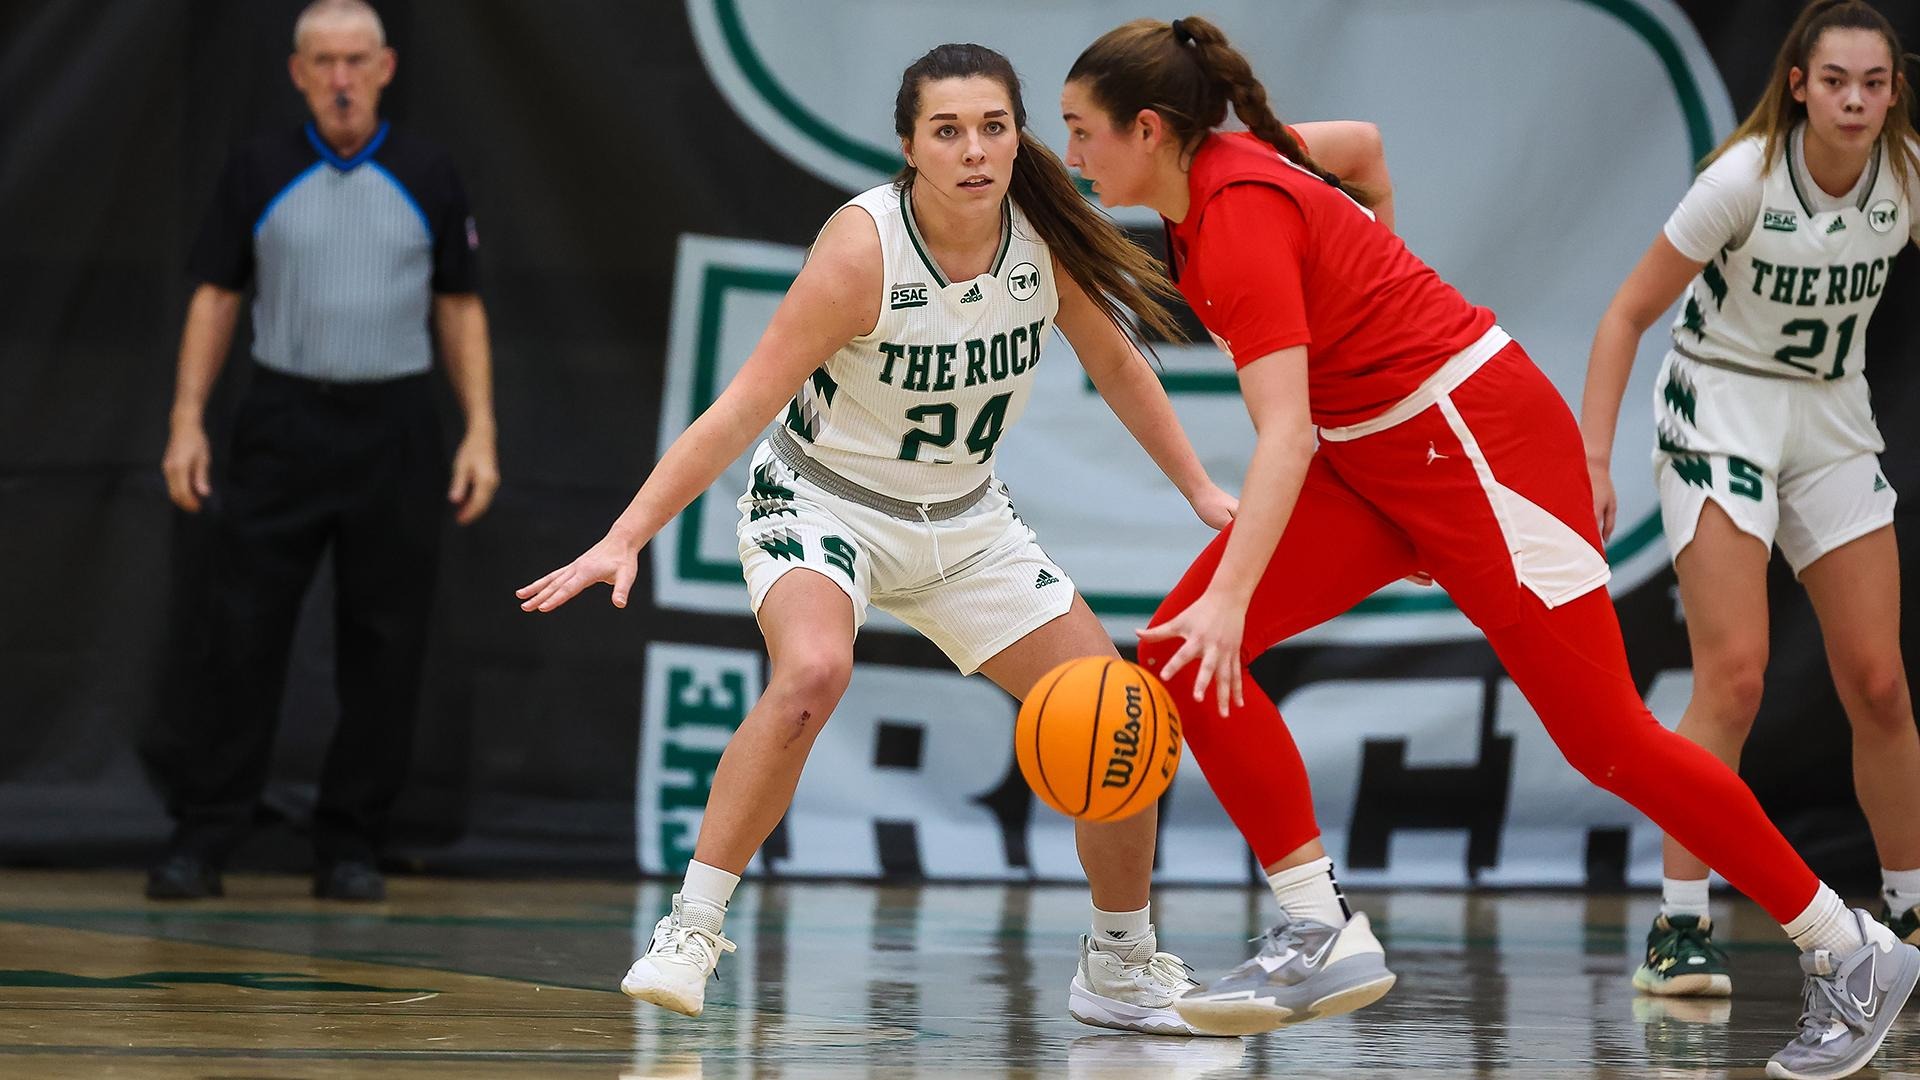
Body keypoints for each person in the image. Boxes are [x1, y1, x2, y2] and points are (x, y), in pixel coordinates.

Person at [1061, 14, 1918, 1078]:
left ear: (1149, 130)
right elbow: (1367, 148)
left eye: (1082, 129)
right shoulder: (1239, 163)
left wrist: (1241, 592)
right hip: (1384, 454)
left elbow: (1284, 437)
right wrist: (1379, 271)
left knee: (1607, 741)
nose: (1072, 152)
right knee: (1181, 652)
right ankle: (1315, 925)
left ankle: (1848, 945)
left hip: (1478, 444)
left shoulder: (1237, 220)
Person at [518, 42, 1257, 1033]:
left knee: (1116, 716)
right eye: (947, 131)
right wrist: (627, 534)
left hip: (965, 521)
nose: (973, 149)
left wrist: (1201, 488)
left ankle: (1120, 965)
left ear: (1018, 137)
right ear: (910, 146)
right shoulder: (864, 249)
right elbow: (743, 406)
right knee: (813, 673)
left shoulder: (1041, 236)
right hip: (824, 502)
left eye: (993, 127)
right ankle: (689, 930)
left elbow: (1120, 367)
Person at [1581, 0, 1920, 1000]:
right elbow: (1624, 314)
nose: (1854, 101)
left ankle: (1908, 908)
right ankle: (1679, 926)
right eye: (1836, 81)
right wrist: (1593, 460)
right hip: (1720, 407)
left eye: (1872, 83)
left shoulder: (1903, 174)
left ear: (1893, 92)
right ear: (1799, 86)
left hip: (1831, 416)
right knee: (1732, 678)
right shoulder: (1742, 180)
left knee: (1881, 684)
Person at [150, 0, 497, 903]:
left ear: (385, 68)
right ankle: (204, 834)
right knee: (241, 635)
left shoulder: (427, 171)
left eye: (356, 60)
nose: (341, 78)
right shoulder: (259, 168)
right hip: (283, 421)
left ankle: (350, 843)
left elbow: (459, 303)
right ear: (298, 73)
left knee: (385, 644)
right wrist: (187, 418)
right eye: (324, 62)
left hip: (394, 428)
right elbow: (215, 295)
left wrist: (480, 430)